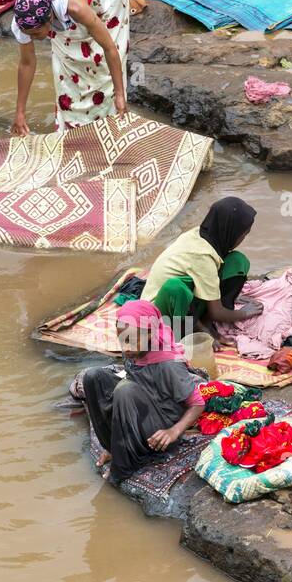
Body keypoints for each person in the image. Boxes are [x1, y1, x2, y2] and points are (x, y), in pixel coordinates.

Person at [10, 0, 129, 135]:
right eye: (29, 34)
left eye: (36, 34)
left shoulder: (76, 7)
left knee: (99, 52)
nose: (35, 38)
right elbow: (26, 63)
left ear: (49, 17)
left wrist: (120, 93)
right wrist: (20, 112)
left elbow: (109, 48)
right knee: (66, 57)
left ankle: (110, 118)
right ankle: (72, 126)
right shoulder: (23, 19)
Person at [82, 300, 205, 485]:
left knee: (125, 390)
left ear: (150, 333)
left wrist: (173, 431)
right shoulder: (134, 349)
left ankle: (122, 469)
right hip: (140, 404)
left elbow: (198, 404)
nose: (127, 347)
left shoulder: (168, 363)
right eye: (123, 340)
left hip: (160, 427)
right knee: (93, 377)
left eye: (133, 340)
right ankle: (112, 448)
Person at [140, 196, 263, 338]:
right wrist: (244, 313)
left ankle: (206, 321)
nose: (242, 239)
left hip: (185, 304)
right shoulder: (203, 255)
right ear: (231, 233)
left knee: (237, 261)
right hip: (162, 314)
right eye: (243, 234)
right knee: (176, 287)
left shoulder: (201, 234)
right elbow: (215, 312)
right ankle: (191, 332)